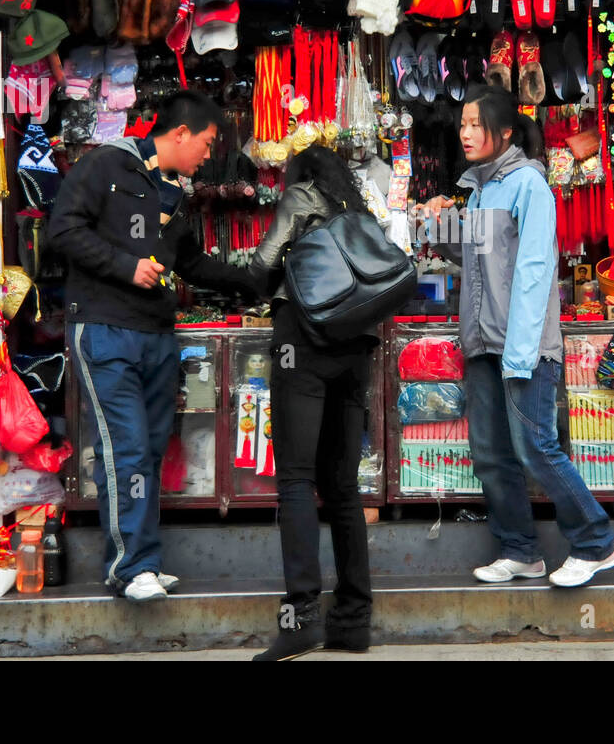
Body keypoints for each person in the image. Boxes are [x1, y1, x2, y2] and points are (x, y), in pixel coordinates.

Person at [49, 90, 251, 603]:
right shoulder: (106, 165)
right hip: (104, 328)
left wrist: (265, 279)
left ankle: (144, 560)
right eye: (206, 144)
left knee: (152, 448)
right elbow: (63, 230)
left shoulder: (172, 191)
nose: (208, 156)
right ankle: (127, 566)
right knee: (127, 448)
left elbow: (194, 263)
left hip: (157, 335)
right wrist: (126, 266)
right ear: (180, 133)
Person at [419, 83, 614, 587]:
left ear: (504, 131)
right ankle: (520, 551)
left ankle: (596, 543)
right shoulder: (483, 188)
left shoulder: (529, 184)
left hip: (522, 347)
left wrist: (522, 353)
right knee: (490, 454)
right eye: (461, 124)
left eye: (474, 124)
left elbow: (533, 270)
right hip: (482, 342)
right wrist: (437, 222)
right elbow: (474, 258)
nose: (464, 133)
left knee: (537, 448)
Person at [247, 145, 379, 661]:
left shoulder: (300, 196)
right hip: (354, 349)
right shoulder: (358, 209)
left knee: (297, 479)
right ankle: (352, 622)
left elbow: (263, 261)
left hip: (301, 344)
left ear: (301, 175)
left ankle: (300, 618)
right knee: (343, 488)